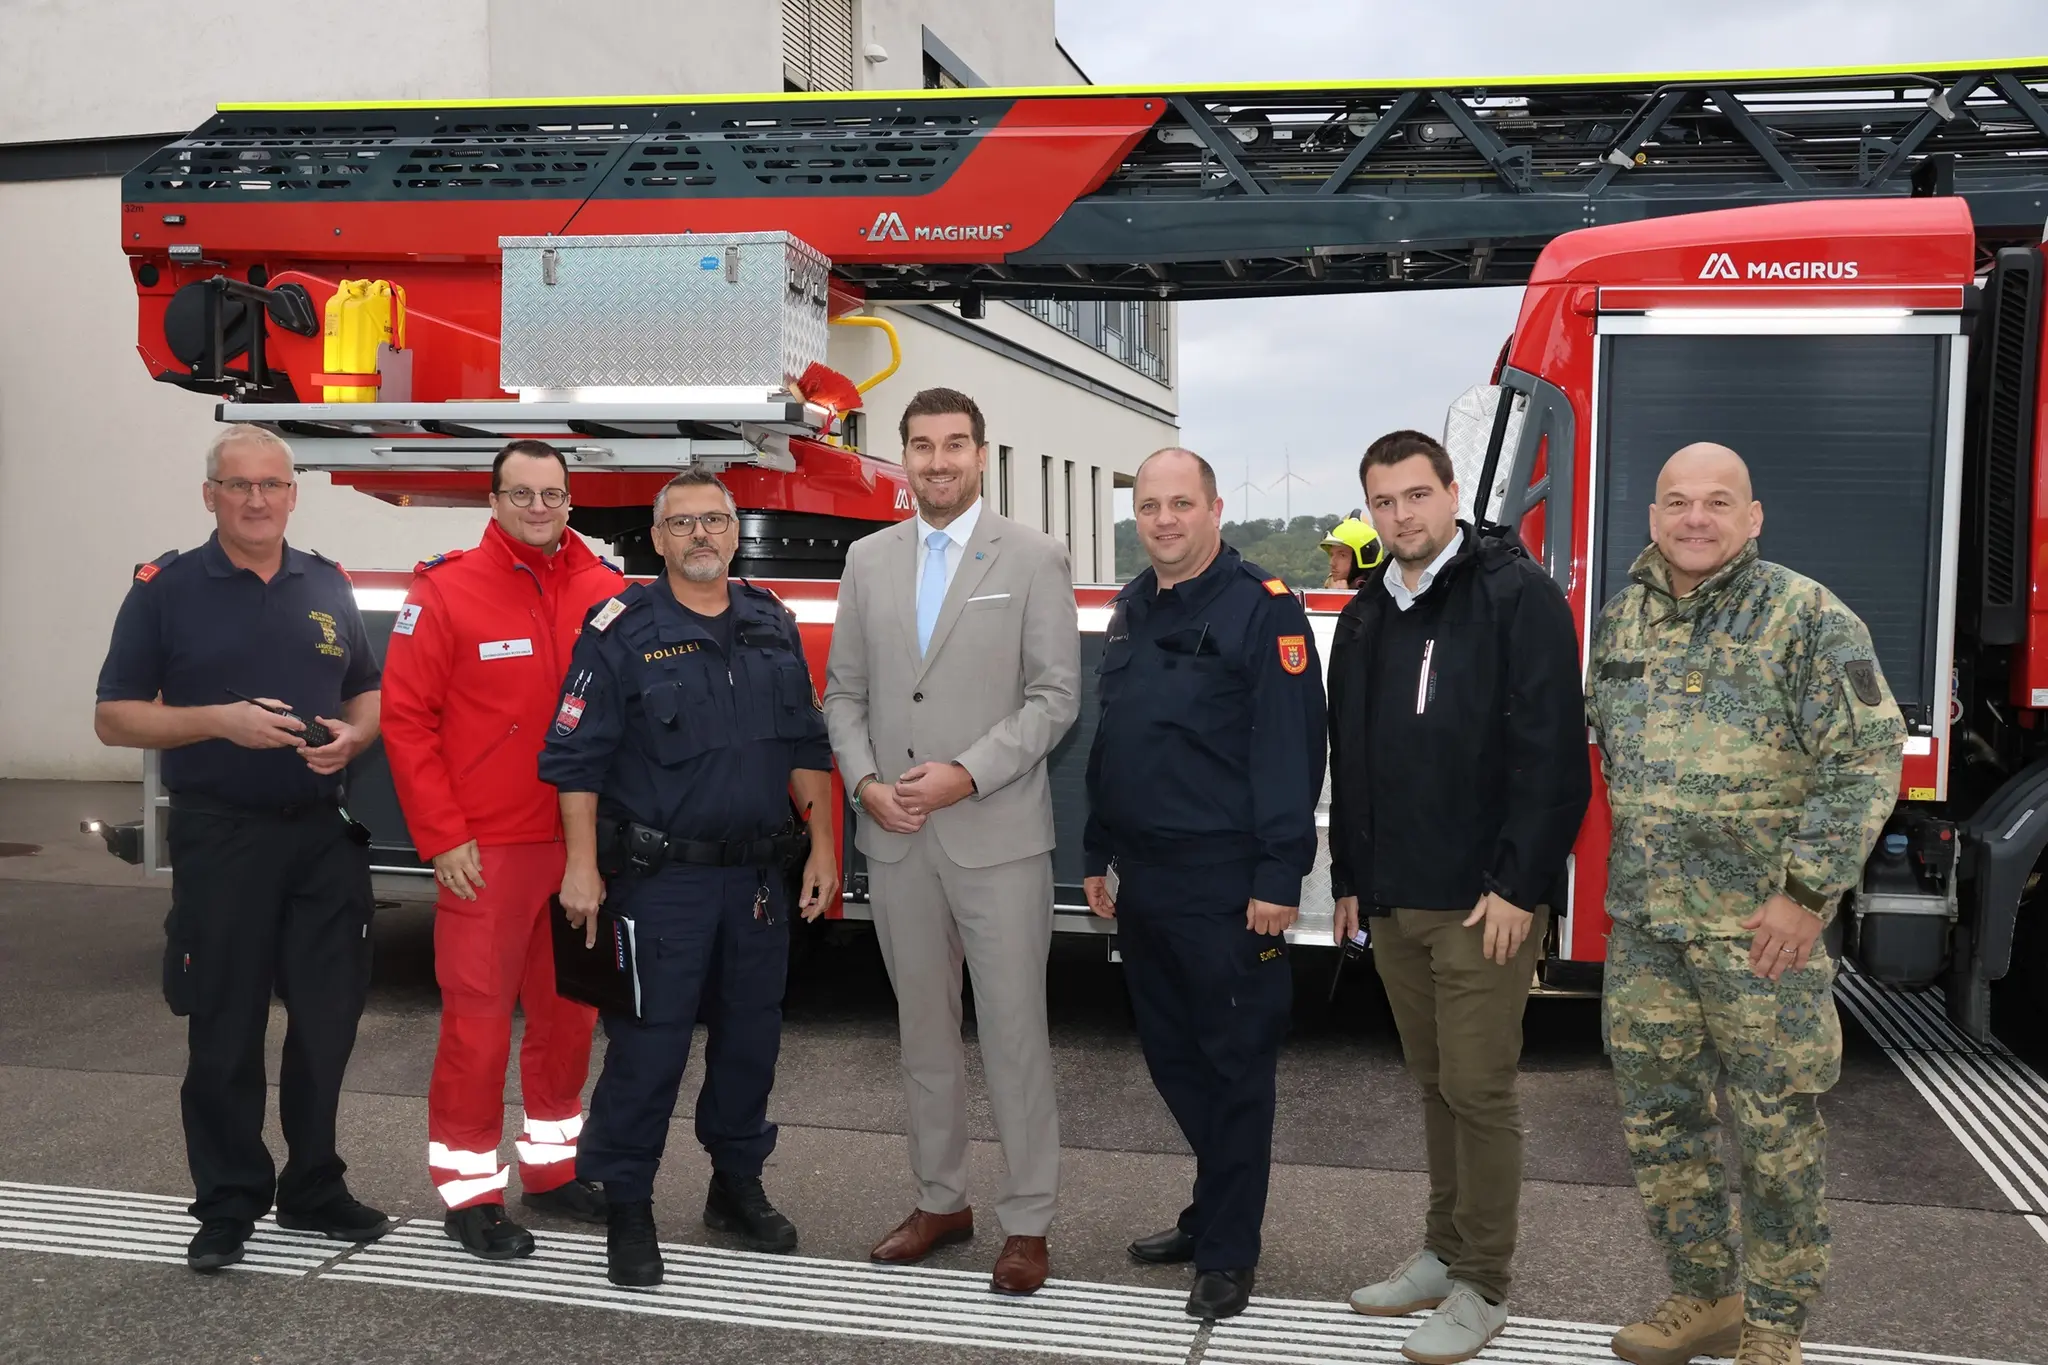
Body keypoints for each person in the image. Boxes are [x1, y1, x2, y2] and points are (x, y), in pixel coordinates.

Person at [1588, 443, 1904, 1365]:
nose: (1696, 518)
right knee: (1661, 1126)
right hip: (1649, 931)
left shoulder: (1806, 617)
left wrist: (1806, 895)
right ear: (1652, 517)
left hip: (1764, 936)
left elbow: (1863, 761)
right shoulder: (1620, 623)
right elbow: (1612, 757)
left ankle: (1774, 1326)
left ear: (1753, 516)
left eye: (1717, 502)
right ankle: (1705, 1294)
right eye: (1677, 501)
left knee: (1776, 1134)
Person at [93, 424, 392, 1272]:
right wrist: (217, 722)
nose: (256, 499)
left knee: (327, 1025)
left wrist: (354, 737)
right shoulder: (166, 589)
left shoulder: (326, 581)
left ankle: (313, 1187)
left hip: (321, 837)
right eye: (239, 485)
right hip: (222, 837)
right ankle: (227, 1201)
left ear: (294, 493)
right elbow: (114, 716)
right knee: (224, 1030)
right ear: (210, 495)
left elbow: (365, 689)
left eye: (272, 484)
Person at [536, 468, 837, 1288]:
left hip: (758, 883)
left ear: (735, 532)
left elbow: (807, 746)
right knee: (649, 1048)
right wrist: (581, 868)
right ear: (659, 538)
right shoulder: (620, 628)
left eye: (716, 520)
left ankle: (735, 1184)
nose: (701, 535)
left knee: (752, 1042)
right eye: (683, 523)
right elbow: (575, 760)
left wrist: (823, 847)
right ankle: (628, 1206)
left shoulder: (772, 621)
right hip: (660, 881)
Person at [1326, 430, 1589, 1364]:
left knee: (1480, 1090)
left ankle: (1486, 1282)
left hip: (1486, 903)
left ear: (1449, 495)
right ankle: (1442, 1252)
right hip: (1394, 899)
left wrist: (1521, 882)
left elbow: (1554, 756)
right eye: (1383, 502)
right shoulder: (1365, 615)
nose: (1400, 516)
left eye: (1415, 496)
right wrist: (1349, 879)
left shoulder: (1516, 596)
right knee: (1435, 1085)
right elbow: (1349, 758)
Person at [822, 387, 1080, 1296]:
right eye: (922, 446)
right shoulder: (867, 559)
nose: (938, 461)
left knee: (1015, 1036)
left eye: (955, 445)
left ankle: (1028, 1220)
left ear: (982, 454)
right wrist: (861, 784)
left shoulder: (1035, 555)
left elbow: (1055, 699)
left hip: (997, 834)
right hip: (895, 840)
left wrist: (965, 773)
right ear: (903, 456)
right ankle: (941, 1200)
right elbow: (844, 694)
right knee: (922, 1033)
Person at [1081, 447, 1326, 1323]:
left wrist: (1277, 874)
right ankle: (1212, 1207)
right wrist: (1097, 845)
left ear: (1215, 508)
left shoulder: (1265, 609)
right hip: (1146, 879)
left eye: (1182, 503)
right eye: (1149, 505)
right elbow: (1118, 739)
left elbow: (1291, 751)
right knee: (1173, 1056)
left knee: (1233, 1070)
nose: (1164, 520)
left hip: (1229, 886)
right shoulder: (1134, 605)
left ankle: (1227, 1249)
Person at [380, 439, 625, 1258]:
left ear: (569, 498)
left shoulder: (608, 590)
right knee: (478, 1025)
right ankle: (471, 1191)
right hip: (486, 850)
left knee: (568, 1017)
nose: (537, 508)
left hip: (579, 844)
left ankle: (553, 1171)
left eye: (551, 494)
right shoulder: (446, 591)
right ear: (493, 499)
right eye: (520, 494)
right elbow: (407, 721)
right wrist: (442, 836)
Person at [1319, 514, 1383, 589]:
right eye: (1332, 554)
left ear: (1364, 557)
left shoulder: (1384, 592)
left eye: (1342, 555)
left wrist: (1340, 598)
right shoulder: (1332, 585)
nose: (1332, 563)